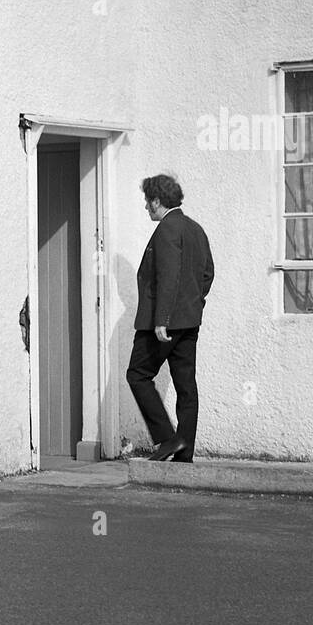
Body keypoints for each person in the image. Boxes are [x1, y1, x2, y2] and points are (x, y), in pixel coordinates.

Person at [126, 174, 214, 462]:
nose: (145, 207)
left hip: (163, 324)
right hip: (189, 322)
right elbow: (208, 274)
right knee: (186, 386)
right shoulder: (196, 229)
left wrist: (162, 318)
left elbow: (168, 275)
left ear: (156, 201)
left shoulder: (167, 229)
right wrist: (194, 304)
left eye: (146, 201)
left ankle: (167, 438)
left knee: (138, 374)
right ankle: (184, 452)